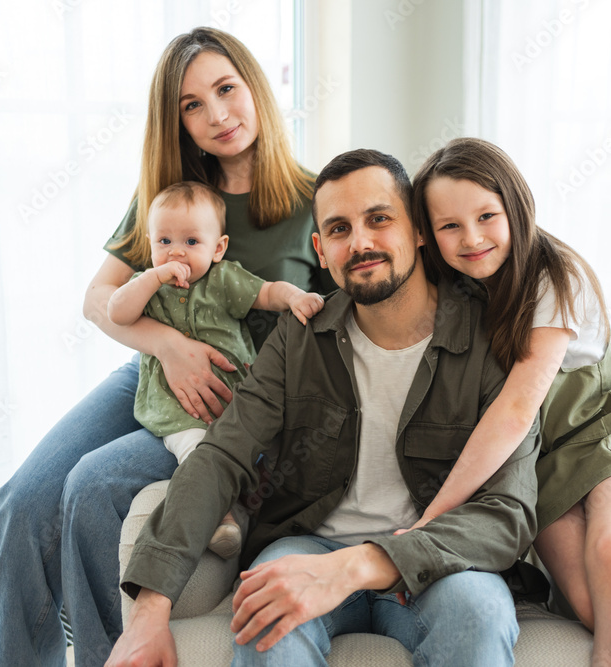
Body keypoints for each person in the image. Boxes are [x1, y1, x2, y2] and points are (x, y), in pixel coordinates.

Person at [0, 27, 333, 667]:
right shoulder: (172, 196)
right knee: (22, 499)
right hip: (151, 370)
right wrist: (168, 344)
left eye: (226, 89)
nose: (216, 115)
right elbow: (99, 298)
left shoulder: (319, 201)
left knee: (93, 485)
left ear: (255, 86)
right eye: (191, 105)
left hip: (233, 397)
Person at [106, 149, 539, 667]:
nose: (360, 242)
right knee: (265, 617)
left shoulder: (492, 335)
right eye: (338, 229)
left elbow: (507, 512)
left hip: (440, 558)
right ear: (320, 248)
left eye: (379, 219)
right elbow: (222, 456)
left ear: (418, 230)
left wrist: (366, 564)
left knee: (481, 615)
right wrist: (151, 611)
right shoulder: (300, 335)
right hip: (308, 545)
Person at [406, 137, 611, 666]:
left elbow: (517, 408)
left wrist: (434, 515)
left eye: (487, 216)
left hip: (610, 431)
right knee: (586, 604)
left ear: (516, 208)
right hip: (545, 462)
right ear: (427, 235)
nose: (471, 238)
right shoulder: (458, 290)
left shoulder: (554, 275)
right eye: (450, 226)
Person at [107, 180, 323, 557]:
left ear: (218, 247)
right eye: (164, 242)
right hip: (179, 409)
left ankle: (264, 502)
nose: (176, 252)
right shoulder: (148, 285)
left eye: (191, 242)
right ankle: (219, 516)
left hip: (237, 398)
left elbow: (267, 293)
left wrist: (293, 296)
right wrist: (151, 277)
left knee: (266, 443)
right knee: (199, 451)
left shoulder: (224, 279)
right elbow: (117, 312)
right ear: (150, 243)